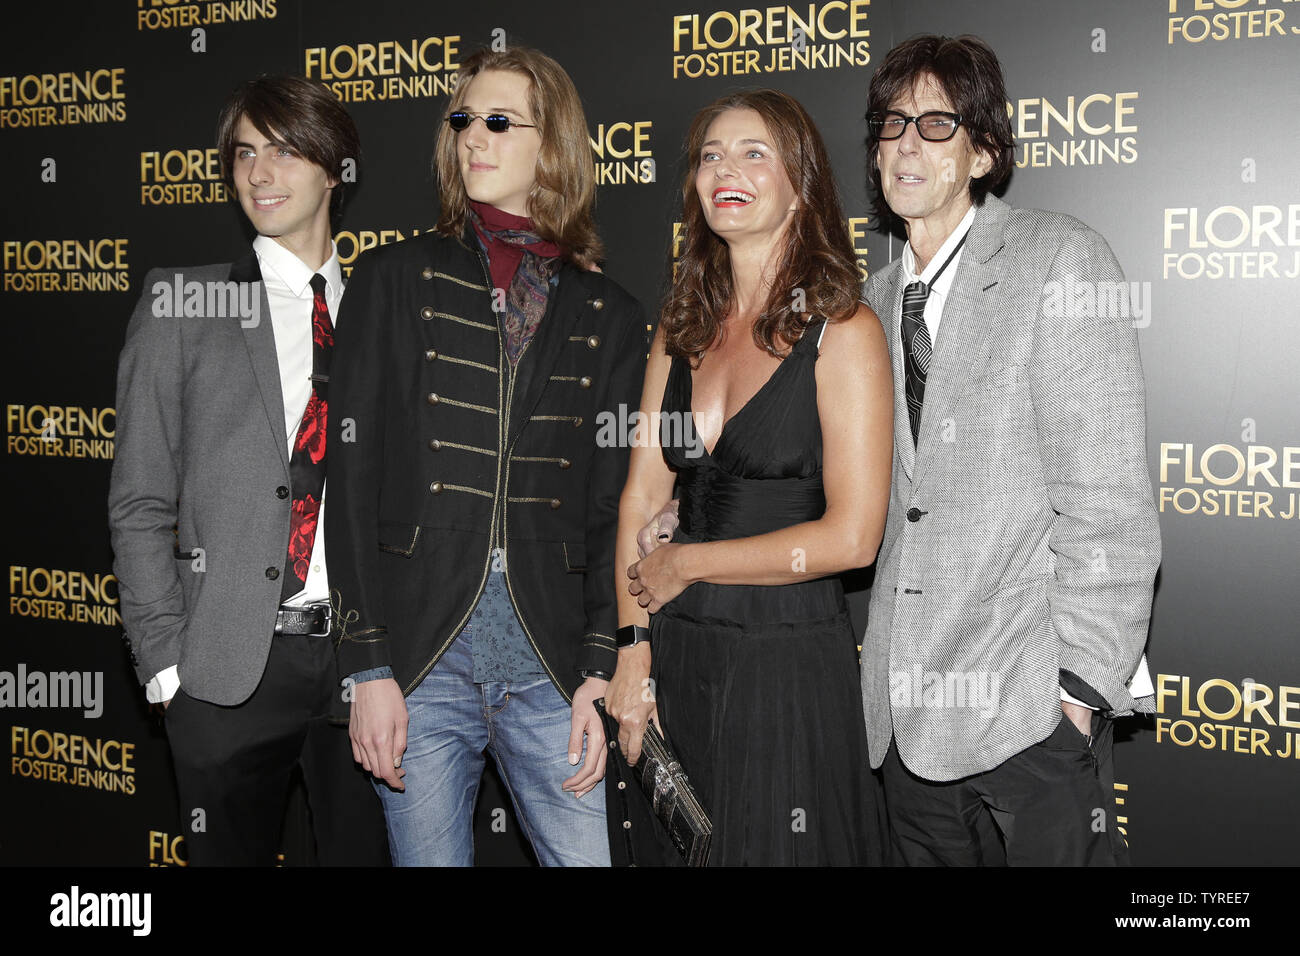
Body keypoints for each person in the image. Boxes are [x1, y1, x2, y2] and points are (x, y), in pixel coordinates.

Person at [327, 46, 648, 867]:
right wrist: (366, 665)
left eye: (499, 121)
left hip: (547, 658)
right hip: (423, 655)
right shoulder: (393, 278)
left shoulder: (609, 312)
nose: (473, 136)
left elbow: (610, 503)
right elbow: (352, 478)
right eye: (463, 118)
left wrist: (598, 665)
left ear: (555, 145)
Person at [859, 34, 1160, 865]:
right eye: (890, 124)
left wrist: (1075, 697)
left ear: (985, 151)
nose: (905, 144)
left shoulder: (1060, 259)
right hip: (906, 724)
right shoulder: (868, 304)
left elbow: (1108, 506)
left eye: (935, 124)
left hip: (1030, 715)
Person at [604, 89, 893, 866]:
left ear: (799, 183)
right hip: (677, 651)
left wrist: (690, 560)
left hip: (783, 663)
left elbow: (855, 537)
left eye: (753, 152)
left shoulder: (845, 330)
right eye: (710, 156)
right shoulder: (682, 323)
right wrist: (631, 652)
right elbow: (643, 494)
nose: (725, 169)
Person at [108, 74, 389, 866]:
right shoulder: (181, 305)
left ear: (335, 170)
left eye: (286, 150)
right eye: (244, 154)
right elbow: (138, 501)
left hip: (361, 671)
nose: (260, 174)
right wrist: (166, 667)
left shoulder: (382, 312)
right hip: (225, 671)